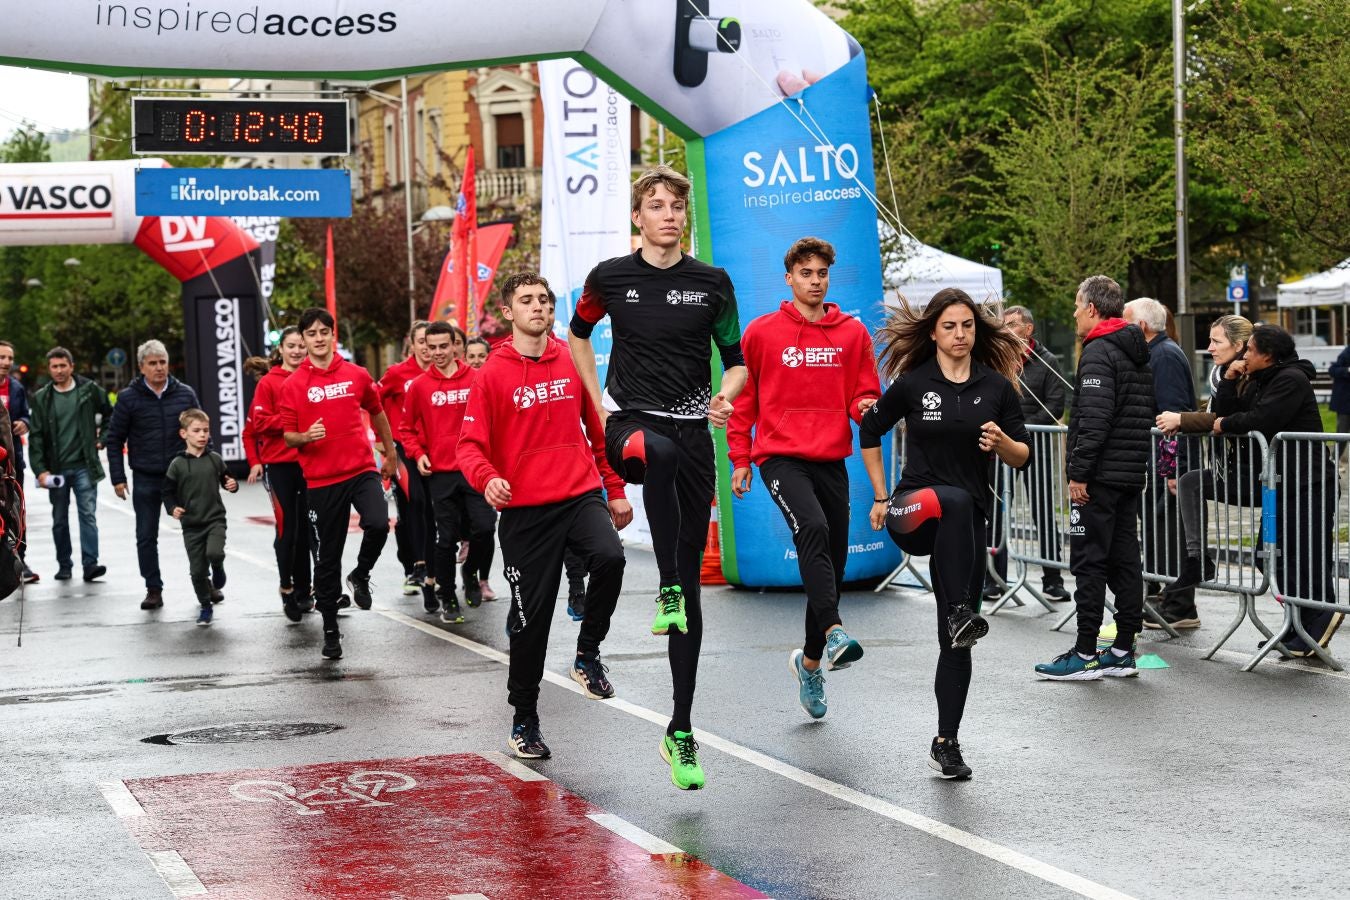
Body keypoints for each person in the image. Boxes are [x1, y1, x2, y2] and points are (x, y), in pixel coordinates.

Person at [568, 165, 744, 791]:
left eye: (676, 206)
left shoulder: (711, 282)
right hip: (632, 426)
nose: (668, 215)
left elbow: (739, 362)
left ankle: (681, 729)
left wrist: (724, 396)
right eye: (657, 205)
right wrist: (597, 402)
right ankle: (667, 584)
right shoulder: (609, 277)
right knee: (658, 456)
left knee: (691, 603)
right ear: (638, 216)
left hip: (697, 431)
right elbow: (578, 333)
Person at [859, 288, 1030, 779]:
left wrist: (1002, 444)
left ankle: (947, 741)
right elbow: (870, 430)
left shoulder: (996, 387)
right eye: (950, 326)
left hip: (965, 527)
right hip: (914, 510)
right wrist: (878, 493)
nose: (960, 335)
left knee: (957, 640)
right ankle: (959, 611)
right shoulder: (914, 383)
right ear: (933, 331)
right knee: (952, 497)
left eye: (968, 326)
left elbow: (1024, 456)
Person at [459, 273, 631, 761]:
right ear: (508, 313)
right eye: (526, 300)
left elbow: (597, 433)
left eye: (544, 300)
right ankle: (524, 719)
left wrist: (614, 490)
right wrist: (487, 477)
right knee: (530, 623)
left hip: (579, 495)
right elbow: (469, 446)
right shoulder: (491, 374)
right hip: (525, 514)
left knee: (610, 558)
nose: (538, 306)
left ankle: (587, 654)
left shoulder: (569, 359)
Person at [729, 236, 880, 720]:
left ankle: (810, 662)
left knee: (829, 572)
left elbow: (863, 394)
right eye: (806, 273)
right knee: (811, 528)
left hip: (831, 459)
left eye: (822, 274)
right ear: (789, 277)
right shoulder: (762, 333)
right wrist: (739, 459)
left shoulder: (852, 334)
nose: (815, 281)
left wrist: (868, 410)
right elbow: (745, 401)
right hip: (779, 458)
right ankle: (835, 631)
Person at [1035, 275, 1154, 682]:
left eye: (1075, 304)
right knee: (1124, 561)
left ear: (1091, 309)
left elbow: (1095, 419)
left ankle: (1085, 652)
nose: (1072, 312)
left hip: (1100, 477)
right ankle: (1122, 649)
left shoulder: (1101, 350)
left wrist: (1078, 472)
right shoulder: (1135, 349)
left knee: (1088, 562)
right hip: (1127, 474)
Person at [1209, 325, 1342, 657]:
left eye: (1250, 350)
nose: (1245, 356)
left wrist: (1224, 425)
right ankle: (1302, 627)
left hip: (1309, 482)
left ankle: (1316, 624)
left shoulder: (1290, 380)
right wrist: (1227, 380)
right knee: (1267, 555)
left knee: (1306, 558)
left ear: (1268, 355)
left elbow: (1260, 420)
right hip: (1280, 482)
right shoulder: (1261, 380)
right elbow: (1228, 411)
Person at [280, 308, 399, 661]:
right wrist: (305, 435)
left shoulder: (356, 374)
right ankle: (331, 631)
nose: (318, 338)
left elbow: (377, 410)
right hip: (321, 480)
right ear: (302, 339)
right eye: (311, 333)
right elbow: (287, 437)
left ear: (333, 335)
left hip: (361, 469)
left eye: (324, 332)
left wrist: (390, 454)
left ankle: (361, 575)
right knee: (327, 558)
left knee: (379, 523)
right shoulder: (294, 385)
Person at [1153, 315, 1255, 629]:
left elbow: (1224, 417)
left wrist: (1182, 420)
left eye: (1216, 342)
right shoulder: (1221, 375)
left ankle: (1310, 616)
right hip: (1233, 467)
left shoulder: (1250, 377)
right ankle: (1196, 563)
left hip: (1265, 472)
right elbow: (1215, 414)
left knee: (1274, 552)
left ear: (1238, 346)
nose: (1208, 348)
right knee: (1189, 486)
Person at [401, 320, 490, 622]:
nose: (437, 352)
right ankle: (447, 594)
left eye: (443, 346)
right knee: (446, 537)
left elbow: (495, 420)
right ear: (424, 347)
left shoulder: (477, 378)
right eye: (431, 347)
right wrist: (418, 454)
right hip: (440, 473)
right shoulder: (419, 387)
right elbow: (406, 429)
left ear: (456, 346)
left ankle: (470, 570)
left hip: (475, 468)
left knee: (485, 528)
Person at [103, 339, 202, 610]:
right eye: (153, 363)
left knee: (195, 531)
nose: (159, 368)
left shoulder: (184, 394)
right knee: (146, 535)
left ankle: (204, 584)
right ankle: (153, 588)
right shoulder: (128, 398)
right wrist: (118, 477)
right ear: (141, 367)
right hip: (145, 476)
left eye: (163, 362)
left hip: (181, 475)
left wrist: (211, 470)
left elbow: (201, 430)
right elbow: (115, 439)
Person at [992, 306, 1069, 602]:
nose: (1006, 330)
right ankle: (993, 577)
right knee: (995, 509)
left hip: (1033, 446)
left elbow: (1055, 406)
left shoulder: (1046, 362)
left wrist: (1019, 430)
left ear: (1028, 329)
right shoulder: (997, 360)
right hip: (998, 447)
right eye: (1003, 325)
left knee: (1042, 511)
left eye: (1012, 325)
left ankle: (1052, 579)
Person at [1123, 298, 1197, 607]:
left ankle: (1178, 605)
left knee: (1170, 536)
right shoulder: (1156, 353)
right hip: (1156, 461)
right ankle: (1163, 598)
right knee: (1157, 533)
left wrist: (1174, 468)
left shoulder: (1164, 356)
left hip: (1165, 464)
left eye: (1126, 323)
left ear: (1141, 327)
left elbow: (1173, 415)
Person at [244, 327, 315, 622]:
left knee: (311, 530)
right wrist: (293, 422)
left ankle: (307, 590)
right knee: (288, 530)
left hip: (311, 463)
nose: (297, 351)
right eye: (292, 346)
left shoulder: (313, 378)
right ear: (281, 350)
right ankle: (287, 588)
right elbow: (258, 424)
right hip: (281, 465)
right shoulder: (269, 383)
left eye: (302, 346)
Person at [28, 347, 112, 582]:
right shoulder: (43, 397)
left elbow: (110, 414)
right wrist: (40, 470)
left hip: (85, 465)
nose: (59, 370)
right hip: (57, 469)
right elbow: (35, 437)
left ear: (72, 367)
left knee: (88, 515)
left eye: (63, 365)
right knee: (59, 519)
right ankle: (64, 565)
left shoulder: (89, 390)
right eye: (54, 366)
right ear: (49, 369)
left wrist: (102, 439)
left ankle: (90, 564)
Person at [162, 409, 239, 626]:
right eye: (196, 431)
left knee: (215, 552)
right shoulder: (177, 464)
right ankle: (205, 606)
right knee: (197, 572)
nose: (202, 435)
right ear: (184, 434)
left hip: (215, 519)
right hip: (191, 526)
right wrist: (172, 508)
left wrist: (231, 485)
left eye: (205, 430)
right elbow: (167, 492)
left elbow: (228, 479)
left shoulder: (214, 459)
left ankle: (218, 567)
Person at [379, 321, 433, 595]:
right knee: (415, 503)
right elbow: (373, 402)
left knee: (432, 510)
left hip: (433, 450)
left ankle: (430, 563)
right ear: (411, 344)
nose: (425, 347)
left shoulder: (440, 373)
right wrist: (381, 442)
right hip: (402, 449)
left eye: (429, 341)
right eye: (421, 341)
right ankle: (417, 565)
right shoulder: (397, 373)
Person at [0, 340, 37, 584]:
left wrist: (24, 422)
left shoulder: (16, 387)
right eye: (2, 357)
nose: (6, 362)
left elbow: (25, 414)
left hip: (11, 465)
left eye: (10, 358)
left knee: (15, 514)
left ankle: (17, 561)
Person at [1328, 342, 1350, 461]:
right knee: (1342, 434)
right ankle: (1333, 461)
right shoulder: (1347, 352)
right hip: (1345, 404)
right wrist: (1347, 370)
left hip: (1345, 403)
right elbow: (1332, 370)